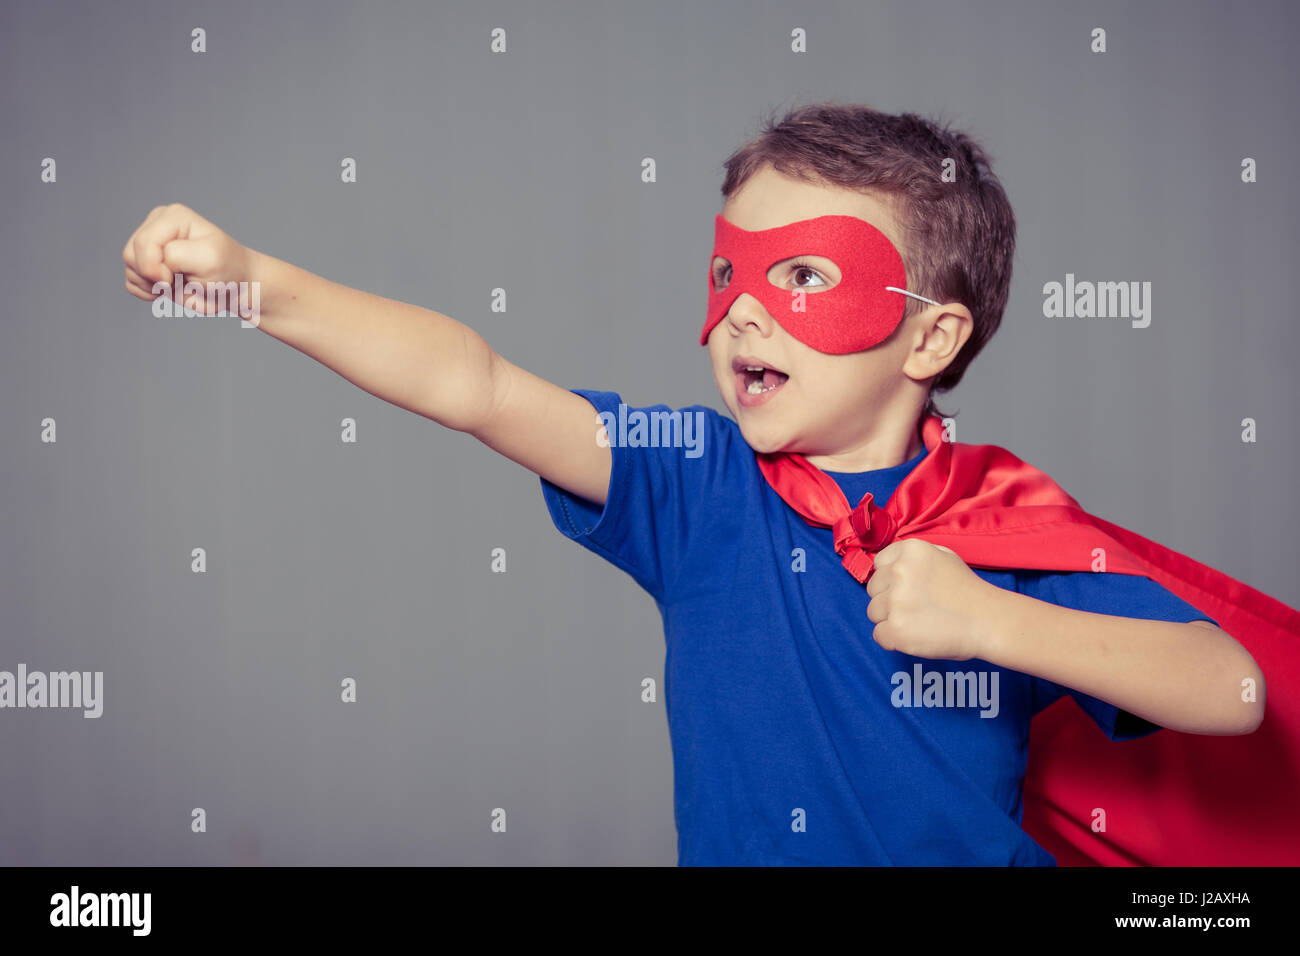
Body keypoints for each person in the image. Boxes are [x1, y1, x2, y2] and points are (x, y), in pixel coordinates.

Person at [122, 101, 1282, 867]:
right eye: (730, 271)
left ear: (929, 341)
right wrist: (246, 283)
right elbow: (472, 382)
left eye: (806, 274)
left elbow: (1229, 690)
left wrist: (990, 616)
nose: (744, 310)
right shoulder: (700, 488)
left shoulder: (1002, 520)